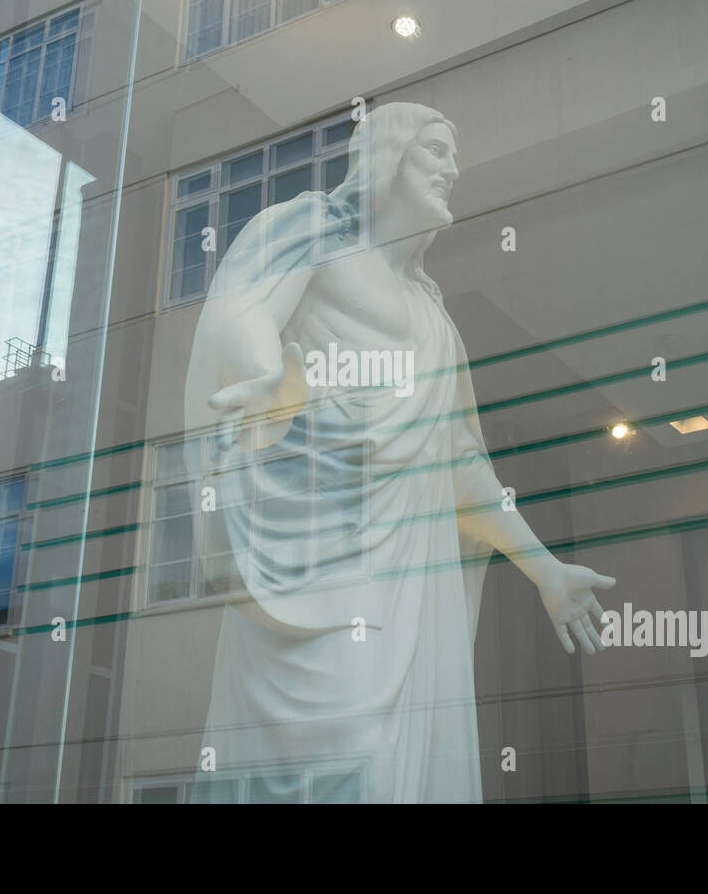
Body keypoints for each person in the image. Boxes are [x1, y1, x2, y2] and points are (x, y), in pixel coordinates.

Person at [183, 102, 614, 803]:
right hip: (319, 559)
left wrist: (543, 568)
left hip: (409, 577)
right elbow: (244, 308)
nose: (452, 168)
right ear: (388, 156)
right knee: (341, 754)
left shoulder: (431, 315)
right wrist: (266, 374)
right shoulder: (316, 232)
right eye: (436, 152)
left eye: (453, 157)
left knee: (395, 771)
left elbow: (459, 463)